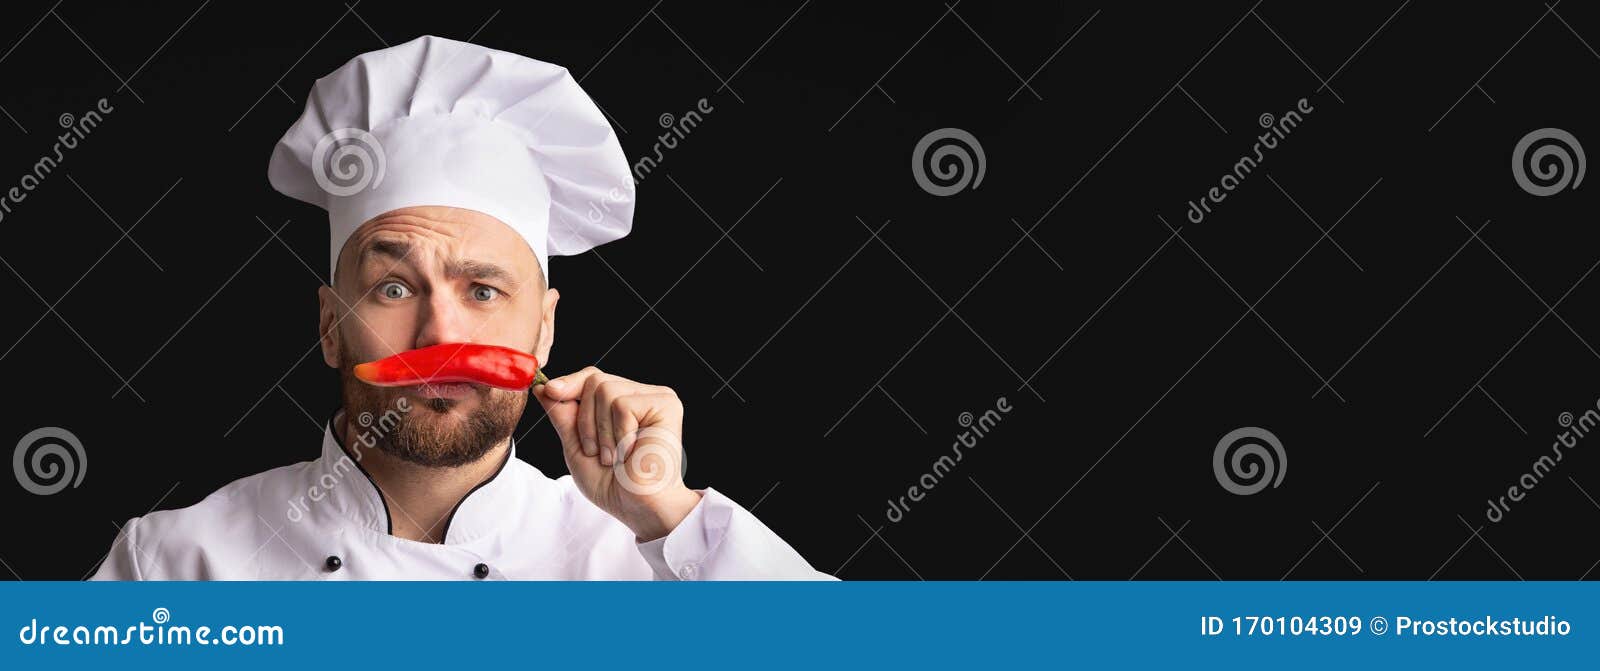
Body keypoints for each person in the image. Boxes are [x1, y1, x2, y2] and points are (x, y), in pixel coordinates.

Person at [91, 35, 829, 580]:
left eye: (483, 290)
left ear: (543, 329)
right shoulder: (176, 565)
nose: (440, 330)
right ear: (328, 323)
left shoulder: (643, 566)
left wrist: (671, 514)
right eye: (393, 287)